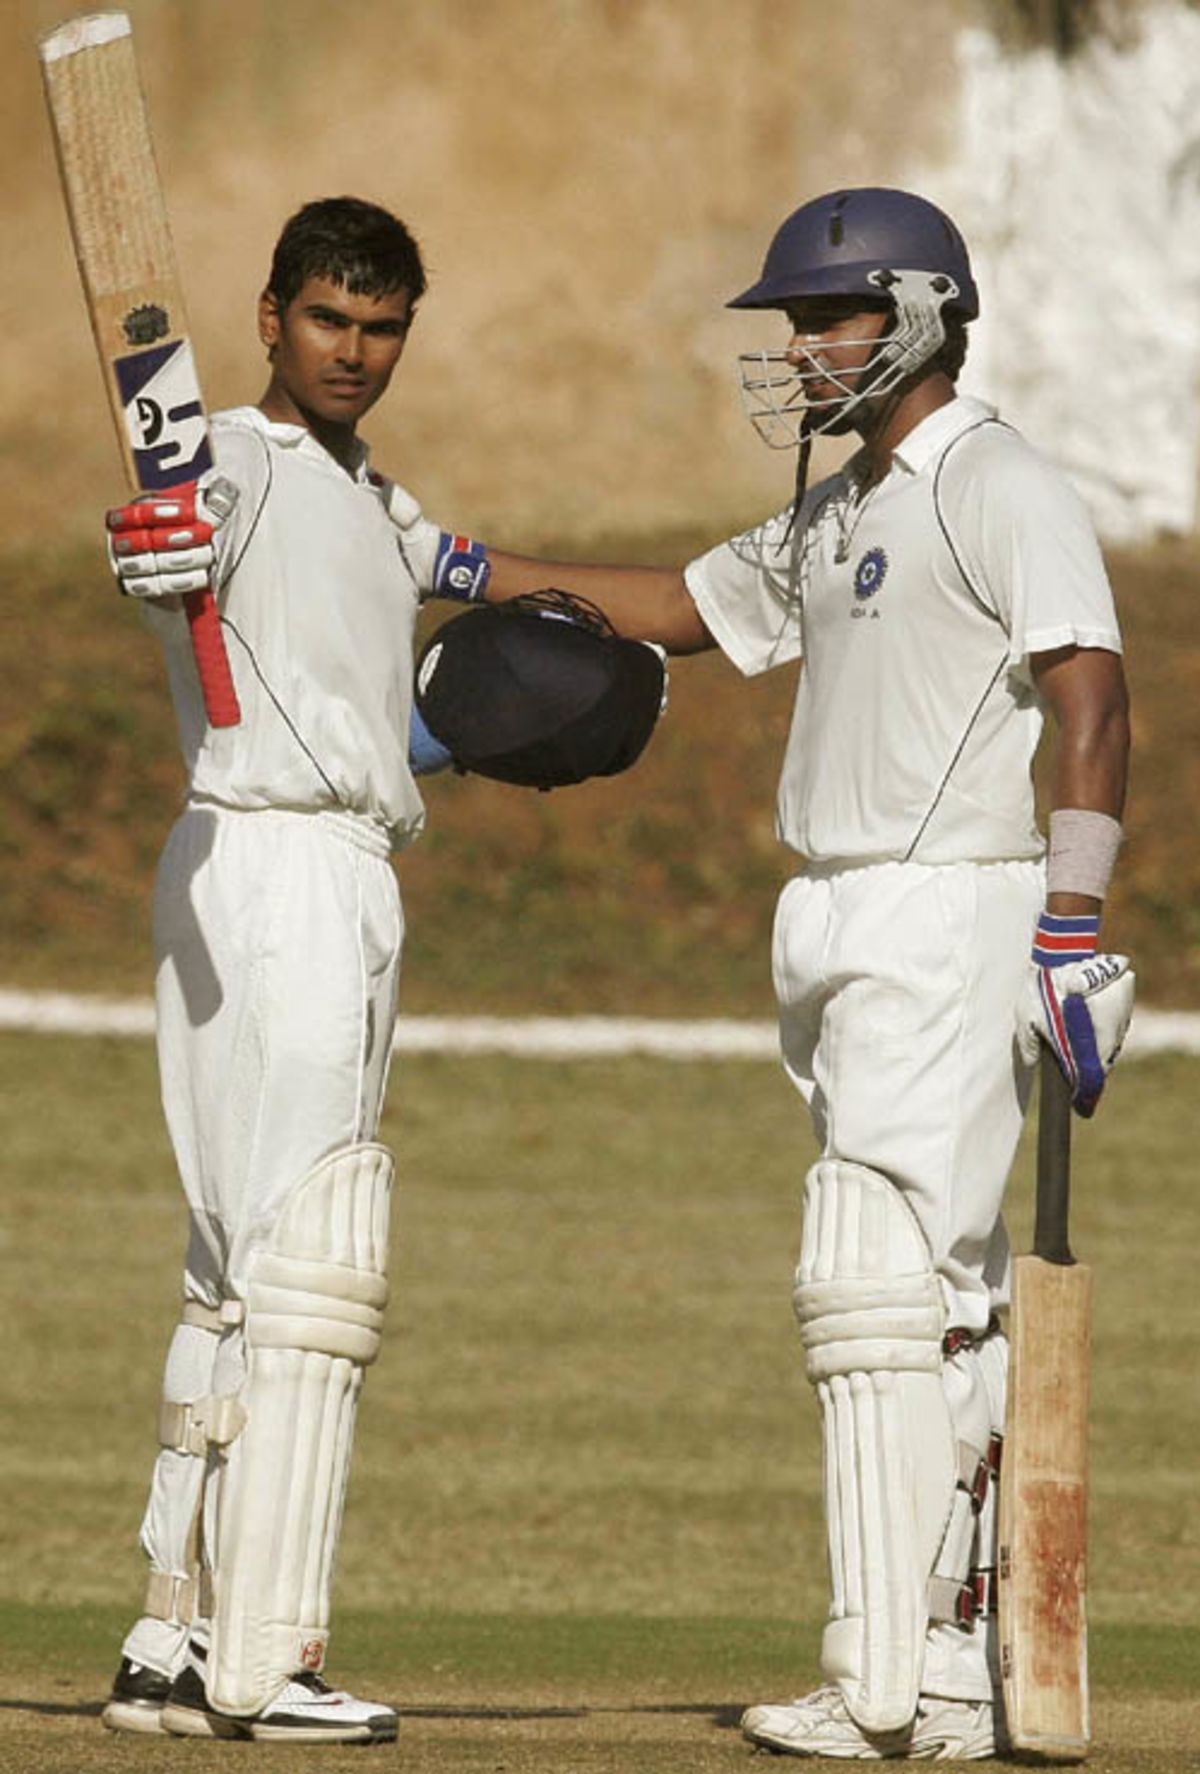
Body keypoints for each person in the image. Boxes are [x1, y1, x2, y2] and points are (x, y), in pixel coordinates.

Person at [404, 186, 1135, 1760]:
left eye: (826, 317)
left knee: (890, 1288)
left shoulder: (995, 481)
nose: (800, 350)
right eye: (793, 324)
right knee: (920, 1293)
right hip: (839, 915)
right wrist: (449, 554)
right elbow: (676, 607)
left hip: (948, 910)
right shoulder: (841, 506)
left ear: (921, 314)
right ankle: (941, 1665)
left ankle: (898, 1677)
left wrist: (1073, 919)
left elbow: (1092, 694)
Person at [97, 195, 507, 1744]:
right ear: (270, 315)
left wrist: (715, 607)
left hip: (281, 863)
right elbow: (168, 532)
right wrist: (152, 546)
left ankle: (173, 1631)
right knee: (304, 1260)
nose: (356, 350)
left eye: (383, 325)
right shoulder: (233, 461)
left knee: (232, 1268)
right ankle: (269, 1655)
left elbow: (467, 569)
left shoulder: (368, 497)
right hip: (281, 871)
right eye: (330, 319)